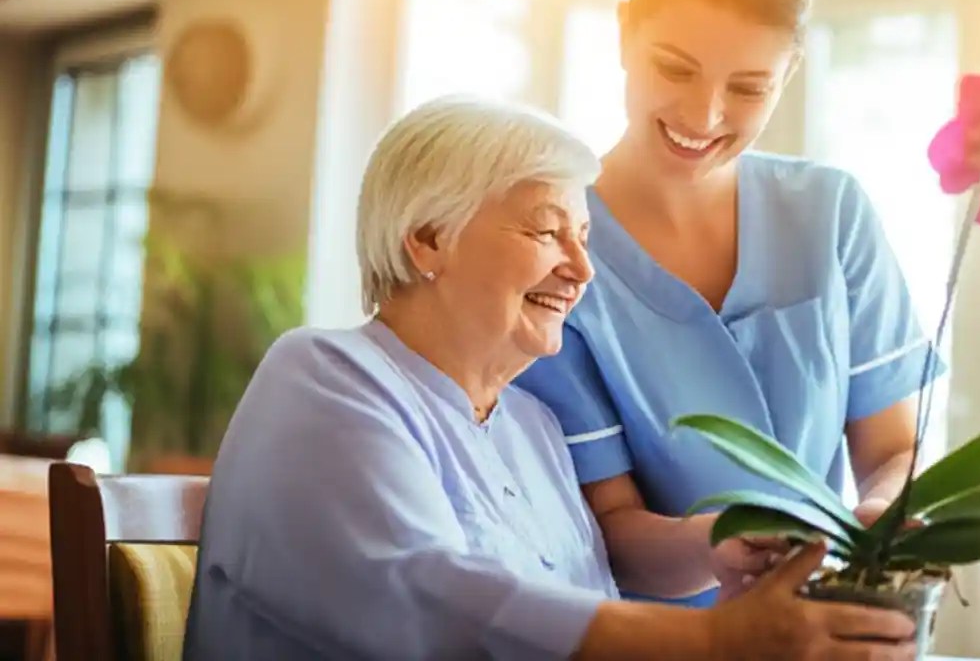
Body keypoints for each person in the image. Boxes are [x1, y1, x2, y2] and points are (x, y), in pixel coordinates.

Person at [182, 96, 918, 660]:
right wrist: (716, 640)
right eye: (544, 230)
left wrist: (716, 546)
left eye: (585, 235)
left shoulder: (531, 428)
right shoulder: (323, 376)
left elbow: (577, 600)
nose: (582, 268)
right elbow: (433, 600)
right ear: (429, 240)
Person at [515, 0, 945, 606]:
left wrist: (881, 511)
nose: (704, 115)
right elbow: (607, 534)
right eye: (674, 68)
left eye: (747, 87)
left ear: (790, 70)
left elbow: (892, 450)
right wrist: (715, 548)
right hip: (655, 646)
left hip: (818, 634)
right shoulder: (556, 249)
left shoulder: (831, 214)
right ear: (626, 30)